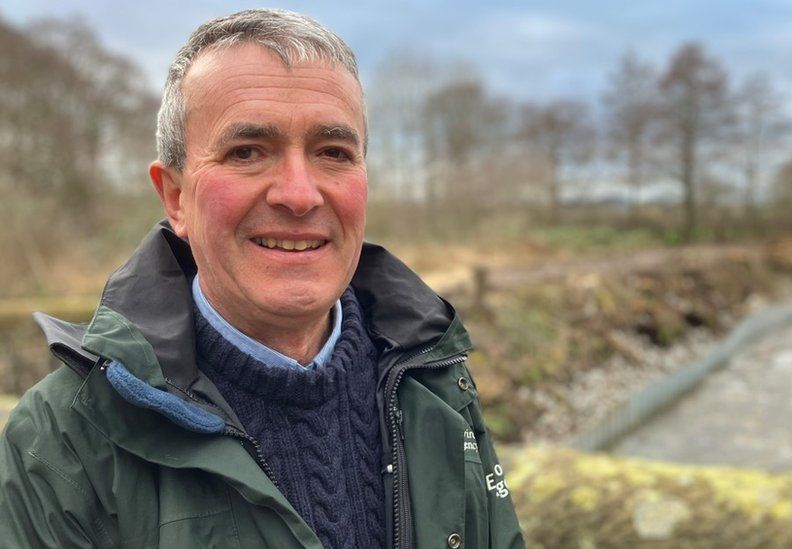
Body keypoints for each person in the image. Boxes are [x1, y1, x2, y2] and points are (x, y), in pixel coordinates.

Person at [0, 9, 523, 549]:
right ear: (176, 197)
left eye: (333, 153)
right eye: (247, 152)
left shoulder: (434, 381)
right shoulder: (60, 442)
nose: (299, 194)